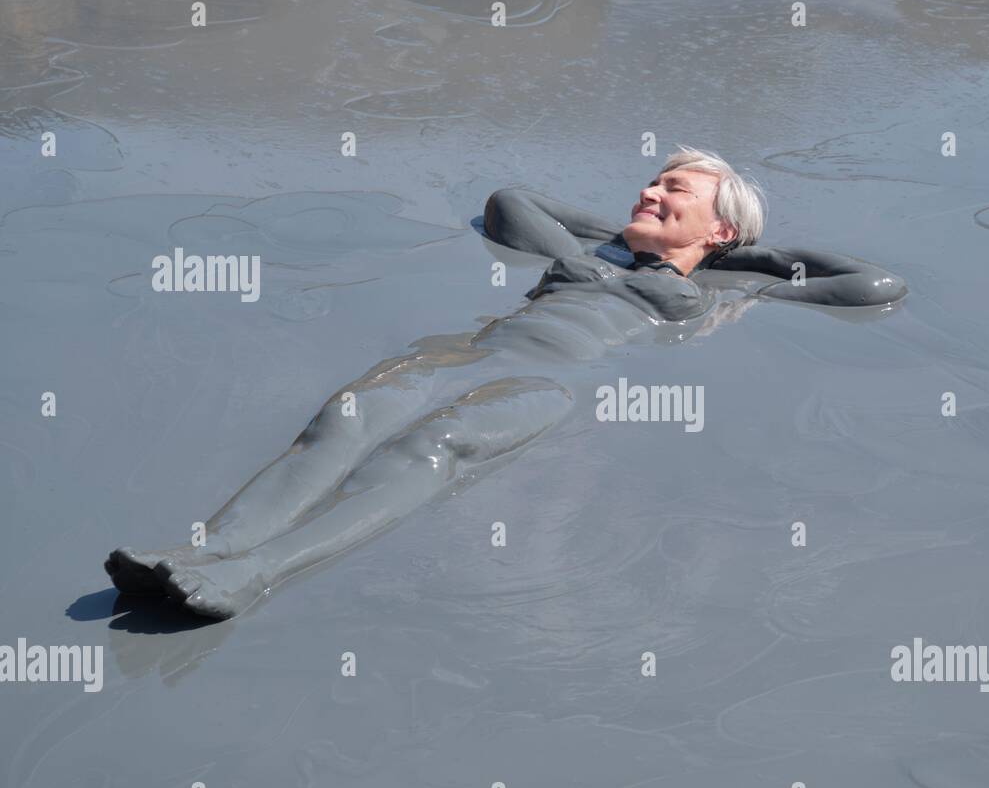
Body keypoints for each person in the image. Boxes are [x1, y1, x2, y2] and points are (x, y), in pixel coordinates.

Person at [104, 147, 907, 618]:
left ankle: (251, 573)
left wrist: (729, 255)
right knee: (344, 420)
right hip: (471, 351)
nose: (649, 191)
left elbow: (872, 284)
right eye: (651, 181)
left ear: (723, 226)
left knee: (428, 449)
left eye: (674, 190)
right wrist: (635, 235)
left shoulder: (729, 290)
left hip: (551, 382)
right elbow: (509, 204)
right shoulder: (593, 256)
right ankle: (206, 548)